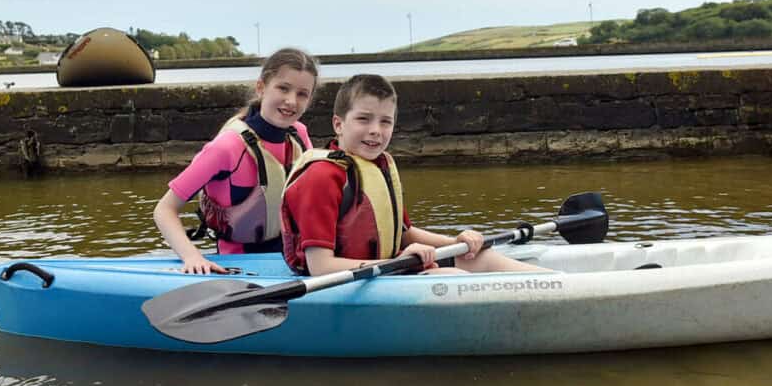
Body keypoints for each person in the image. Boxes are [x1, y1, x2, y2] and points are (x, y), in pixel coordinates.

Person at [279, 73, 549, 276]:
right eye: (364, 119)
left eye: (386, 122)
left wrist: (454, 242)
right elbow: (321, 267)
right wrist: (399, 262)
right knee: (453, 277)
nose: (376, 130)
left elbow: (404, 234)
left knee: (480, 259)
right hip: (348, 282)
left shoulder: (379, 165)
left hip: (391, 268)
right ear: (338, 124)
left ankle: (561, 284)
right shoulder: (322, 177)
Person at [154, 47, 319, 274]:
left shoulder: (299, 135)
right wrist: (192, 257)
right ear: (261, 88)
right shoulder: (227, 147)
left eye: (302, 94)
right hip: (240, 265)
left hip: (290, 260)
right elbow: (164, 209)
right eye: (283, 88)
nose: (291, 101)